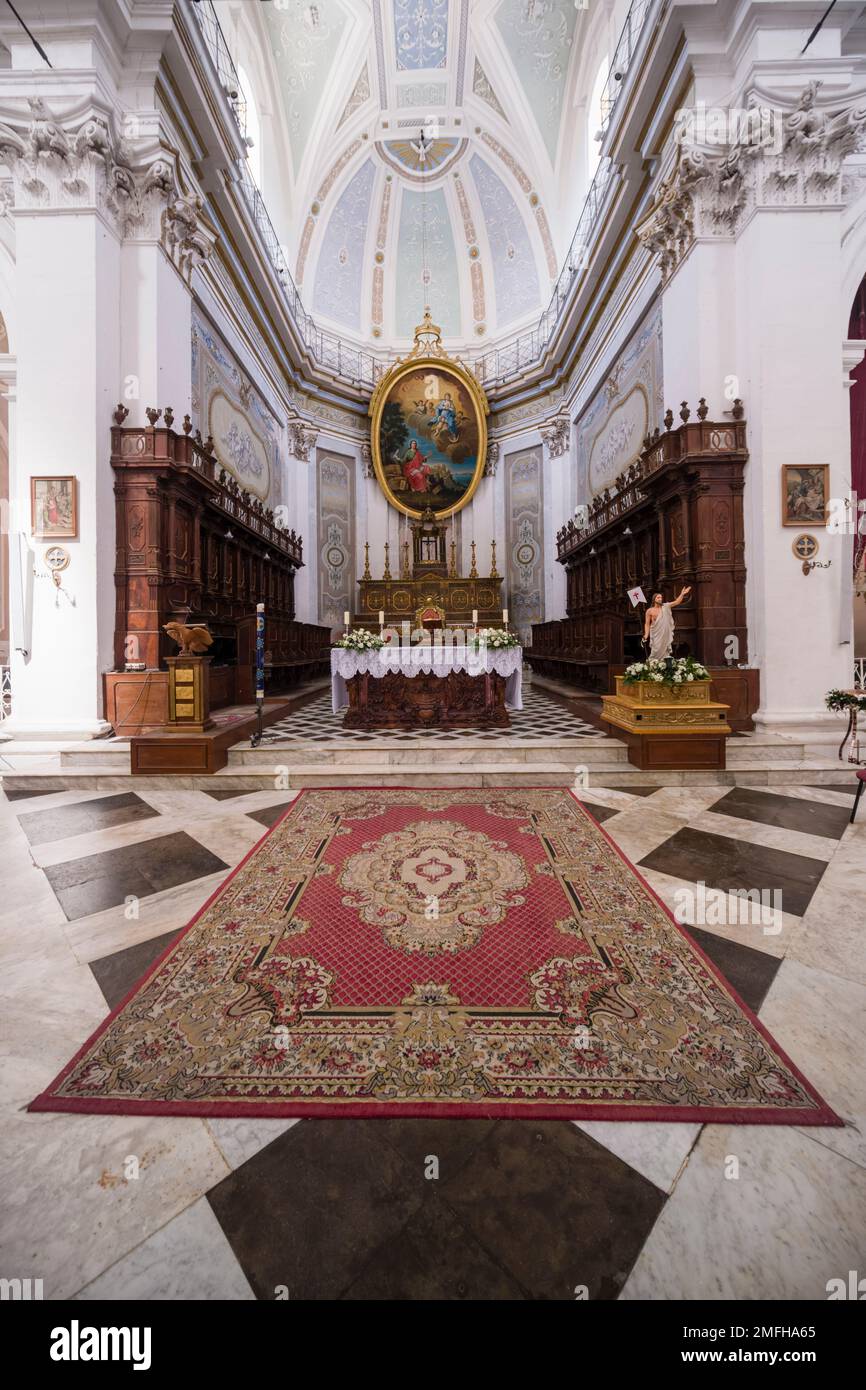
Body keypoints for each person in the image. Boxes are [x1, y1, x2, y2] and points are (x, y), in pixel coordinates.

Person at [643, 585, 691, 659]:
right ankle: (653, 665)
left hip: (665, 633)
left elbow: (677, 602)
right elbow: (647, 624)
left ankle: (664, 665)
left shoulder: (666, 606)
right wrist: (646, 634)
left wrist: (682, 594)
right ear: (654, 599)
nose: (660, 599)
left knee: (665, 652)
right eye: (658, 597)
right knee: (655, 650)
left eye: (661, 598)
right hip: (656, 634)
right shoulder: (650, 611)